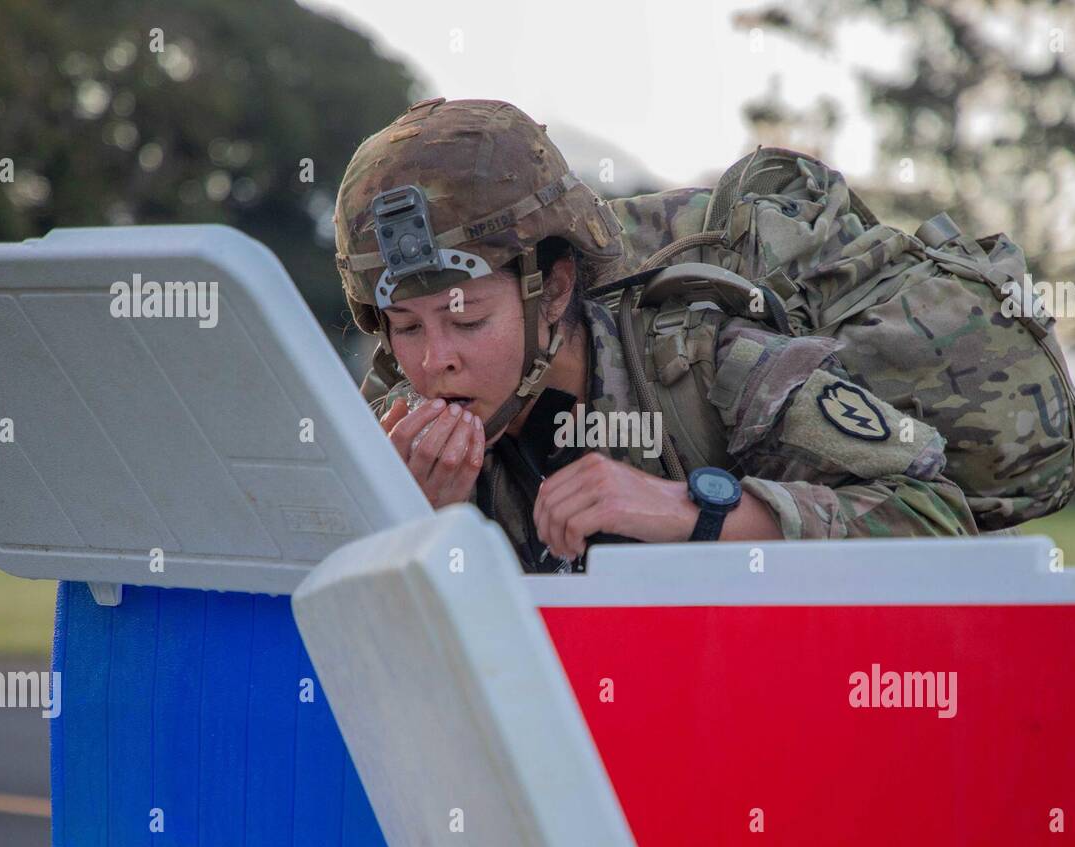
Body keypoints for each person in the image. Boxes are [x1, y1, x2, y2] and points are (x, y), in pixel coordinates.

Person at [334, 98, 978, 573]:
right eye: (406, 327)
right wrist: (409, 524)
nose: (434, 361)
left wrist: (696, 511)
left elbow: (937, 518)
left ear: (555, 291)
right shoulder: (392, 431)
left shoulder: (709, 365)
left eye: (468, 319)